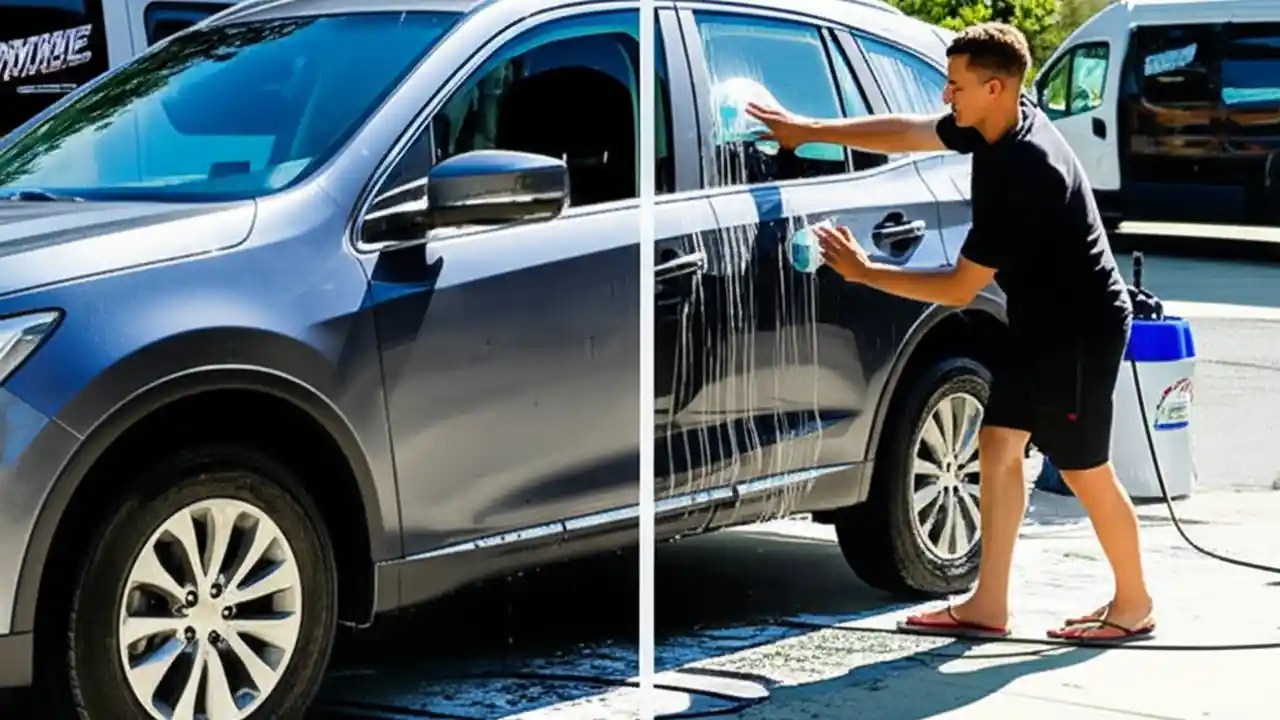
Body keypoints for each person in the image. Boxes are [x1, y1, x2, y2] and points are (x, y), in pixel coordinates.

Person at [746, 22, 1156, 643]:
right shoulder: (995, 123)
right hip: (1038, 318)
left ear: (995, 87)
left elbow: (961, 289)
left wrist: (864, 271)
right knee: (997, 446)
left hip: (1078, 328)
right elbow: (910, 132)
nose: (946, 96)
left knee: (1083, 467)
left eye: (956, 85)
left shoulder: (1025, 169)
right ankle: (989, 603)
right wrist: (809, 129)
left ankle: (1134, 603)